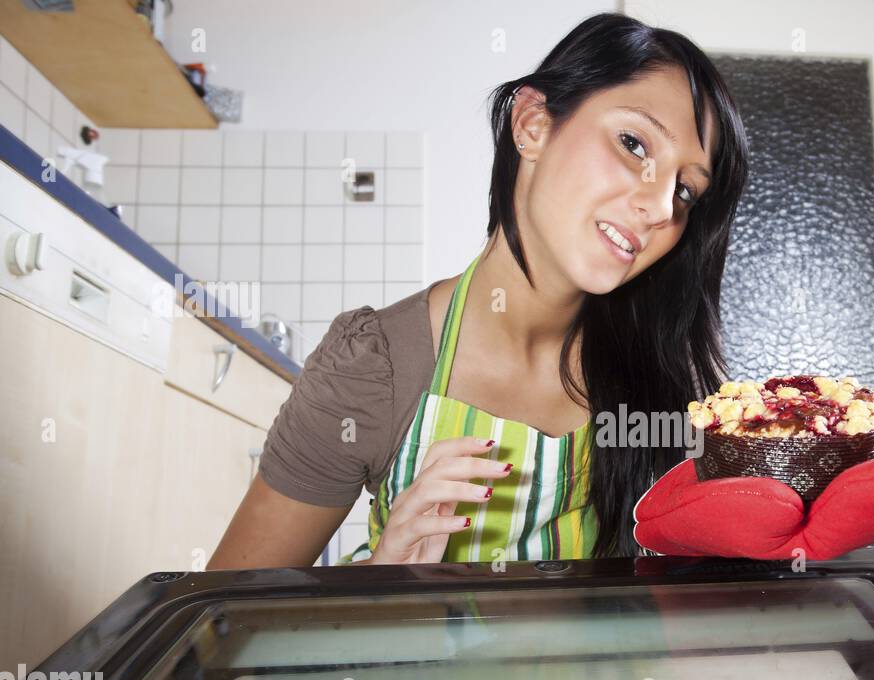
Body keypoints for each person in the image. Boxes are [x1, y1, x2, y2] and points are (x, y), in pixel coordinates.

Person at [207, 12, 749, 569]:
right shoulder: (373, 366)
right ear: (534, 124)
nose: (660, 208)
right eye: (634, 144)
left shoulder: (659, 376)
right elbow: (226, 617)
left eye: (685, 190)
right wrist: (376, 583)